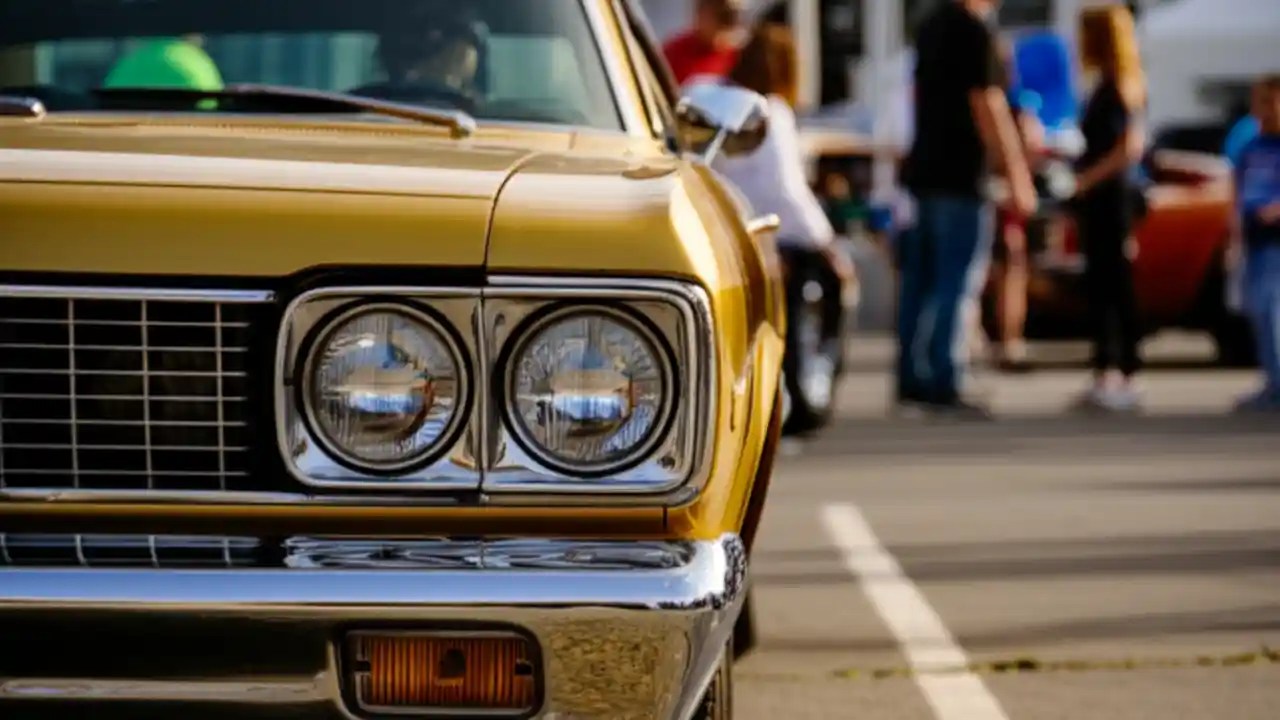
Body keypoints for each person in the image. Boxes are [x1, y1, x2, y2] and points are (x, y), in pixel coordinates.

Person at [897, 0, 1037, 417]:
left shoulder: (930, 26)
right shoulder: (975, 32)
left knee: (921, 283)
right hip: (960, 174)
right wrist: (1016, 173)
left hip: (925, 171)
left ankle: (914, 375)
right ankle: (946, 377)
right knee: (957, 281)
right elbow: (987, 103)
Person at [1070, 5, 1148, 412]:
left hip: (1111, 199)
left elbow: (1127, 148)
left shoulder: (1118, 86)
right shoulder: (1110, 83)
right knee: (1103, 285)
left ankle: (1121, 371)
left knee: (1113, 284)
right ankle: (1109, 368)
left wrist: (1086, 179)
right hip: (1102, 198)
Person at [991, 38, 1045, 373]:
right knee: (1011, 269)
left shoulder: (1012, 102)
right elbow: (1033, 144)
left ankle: (1000, 339)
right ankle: (1010, 340)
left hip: (995, 193)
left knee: (1001, 269)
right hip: (1007, 194)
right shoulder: (1011, 104)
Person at [1232, 75, 1280, 413]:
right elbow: (1238, 191)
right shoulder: (1252, 148)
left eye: (1270, 101)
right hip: (1256, 240)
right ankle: (1272, 380)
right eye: (1259, 102)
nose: (1263, 110)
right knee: (1260, 313)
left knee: (1272, 311)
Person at [662, 0, 745, 88]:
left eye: (729, 17)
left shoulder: (740, 59)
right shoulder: (674, 52)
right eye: (719, 14)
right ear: (700, 12)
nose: (723, 23)